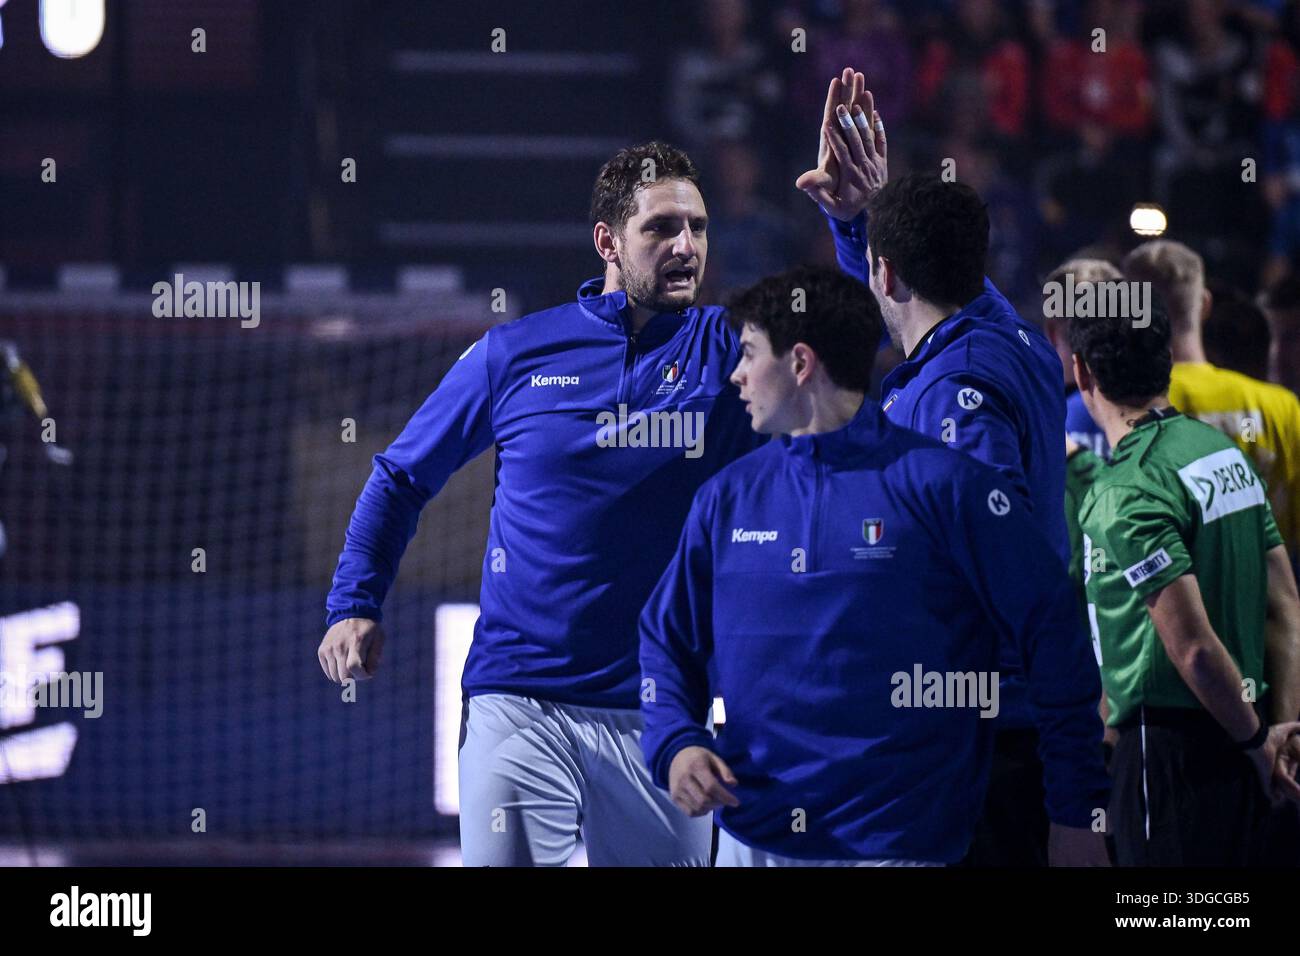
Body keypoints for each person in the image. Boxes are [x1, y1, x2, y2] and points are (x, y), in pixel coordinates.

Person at [320, 70, 881, 866]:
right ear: (608, 241)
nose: (687, 246)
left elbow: (852, 346)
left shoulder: (733, 349)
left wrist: (852, 224)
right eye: (662, 229)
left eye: (698, 226)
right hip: (519, 701)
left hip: (665, 714)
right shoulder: (513, 354)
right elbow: (401, 477)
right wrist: (354, 601)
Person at [639, 266, 1110, 866]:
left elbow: (1054, 636)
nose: (735, 373)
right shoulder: (725, 498)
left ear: (801, 363)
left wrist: (1076, 810)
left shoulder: (947, 487)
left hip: (903, 848)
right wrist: (676, 743)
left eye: (750, 352)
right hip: (751, 844)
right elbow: (665, 639)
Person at [805, 109, 1075, 865]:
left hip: (974, 746)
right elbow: (927, 279)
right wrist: (869, 216)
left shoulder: (951, 392)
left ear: (885, 274)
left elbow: (1002, 565)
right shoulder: (1013, 338)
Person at [1072, 293, 1300, 865]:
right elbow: (1285, 604)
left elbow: (1193, 648)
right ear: (1167, 356)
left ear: (1080, 371)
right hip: (1249, 739)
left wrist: (1257, 744)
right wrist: (1282, 736)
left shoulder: (1125, 491)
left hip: (1169, 757)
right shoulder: (1221, 452)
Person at [1123, 239, 1300, 564]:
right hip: (1269, 609)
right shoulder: (1283, 407)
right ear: (1204, 304)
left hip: (1170, 610)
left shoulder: (1127, 408)